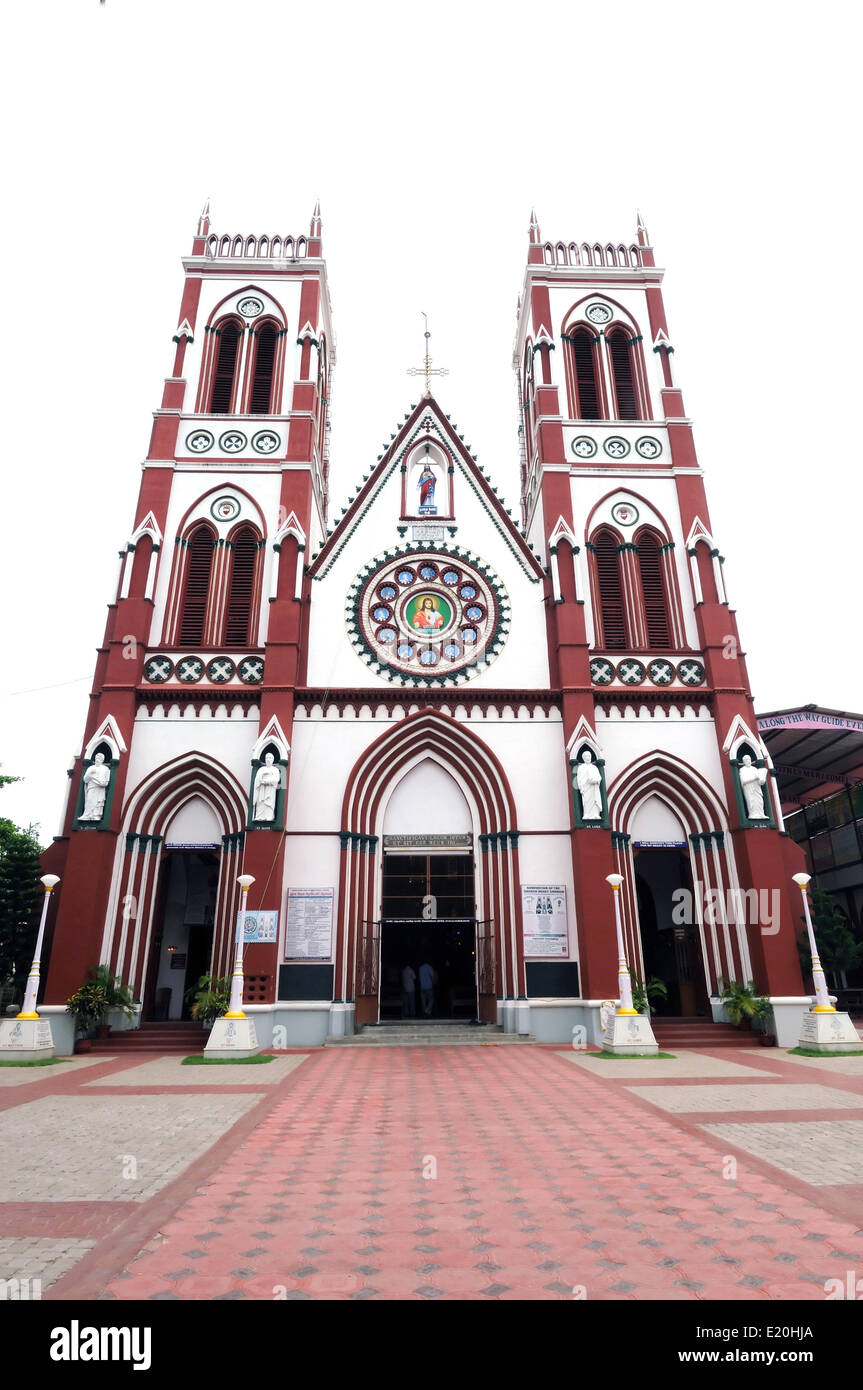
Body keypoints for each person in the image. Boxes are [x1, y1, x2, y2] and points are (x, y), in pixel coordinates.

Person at [79, 752, 111, 821]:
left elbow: (105, 782)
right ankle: (87, 815)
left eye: (99, 758)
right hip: (91, 788)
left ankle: (96, 815)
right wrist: (90, 774)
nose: (97, 759)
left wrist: (95, 779)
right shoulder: (91, 768)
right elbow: (85, 780)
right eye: (96, 758)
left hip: (100, 788)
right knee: (89, 801)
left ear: (102, 760)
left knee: (99, 802)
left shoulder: (105, 769)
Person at [575, 748, 603, 820]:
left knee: (595, 801)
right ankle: (587, 814)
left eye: (589, 756)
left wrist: (596, 781)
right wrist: (584, 784)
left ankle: (595, 814)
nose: (588, 758)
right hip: (586, 787)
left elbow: (599, 777)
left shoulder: (594, 767)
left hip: (594, 787)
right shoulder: (581, 767)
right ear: (583, 758)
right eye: (586, 756)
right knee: (586, 801)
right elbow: (579, 778)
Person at [253, 752, 280, 821]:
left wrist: (267, 781)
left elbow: (277, 779)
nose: (268, 759)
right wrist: (261, 779)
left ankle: (269, 816)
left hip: (270, 789)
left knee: (269, 803)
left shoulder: (275, 769)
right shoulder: (261, 769)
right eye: (267, 758)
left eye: (270, 758)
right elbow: (257, 779)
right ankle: (259, 816)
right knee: (261, 803)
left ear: (273, 760)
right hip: (262, 789)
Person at [739, 754, 768, 819]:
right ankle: (753, 814)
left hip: (756, 787)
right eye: (746, 760)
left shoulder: (754, 769)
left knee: (759, 800)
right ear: (744, 762)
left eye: (749, 759)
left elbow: (759, 778)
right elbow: (743, 780)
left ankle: (761, 814)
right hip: (748, 789)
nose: (748, 761)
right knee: (751, 802)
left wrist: (761, 780)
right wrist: (754, 778)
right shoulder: (742, 770)